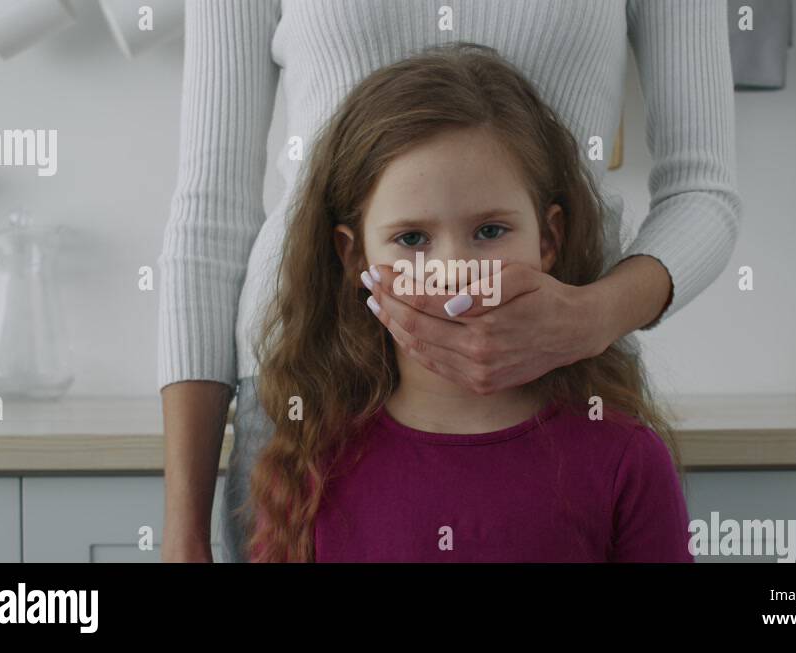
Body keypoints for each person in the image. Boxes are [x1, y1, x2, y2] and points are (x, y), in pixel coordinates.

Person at [159, 0, 740, 563]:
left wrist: (593, 317)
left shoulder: (618, 459)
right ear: (350, 249)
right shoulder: (309, 469)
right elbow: (211, 212)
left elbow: (702, 188)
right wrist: (184, 533)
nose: (453, 272)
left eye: (488, 230)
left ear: (549, 237)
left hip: (565, 367)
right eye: (413, 238)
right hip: (312, 385)